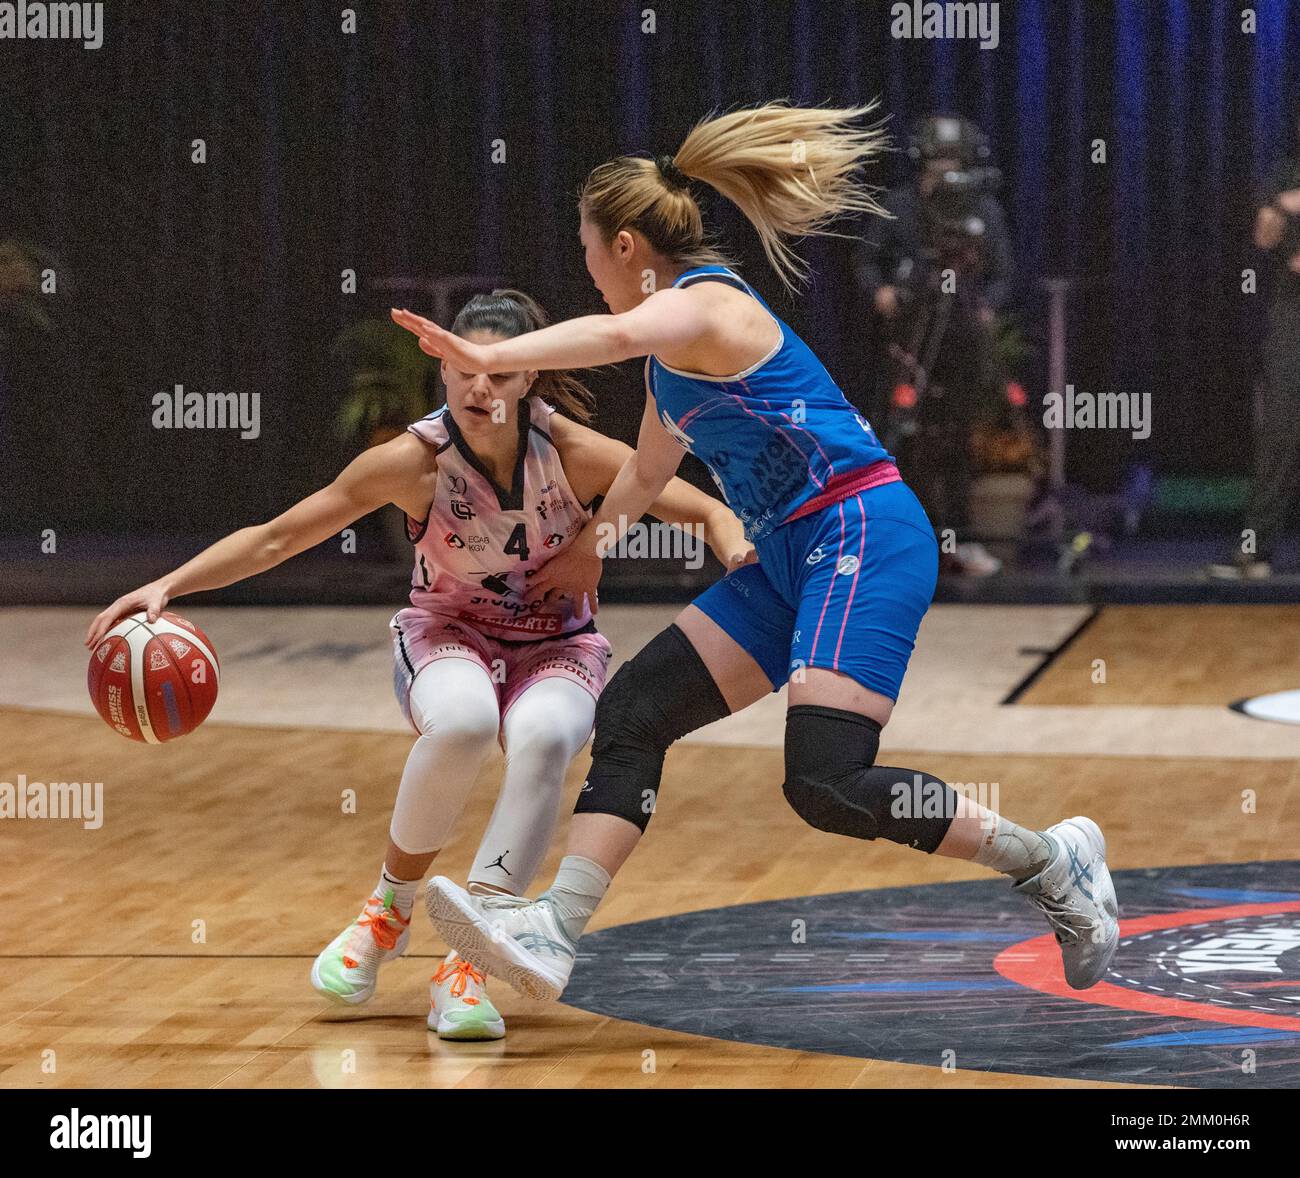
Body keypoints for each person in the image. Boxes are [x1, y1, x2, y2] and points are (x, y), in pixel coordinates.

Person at [391, 103, 1119, 1004]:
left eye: (586, 252)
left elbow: (614, 337)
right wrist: (591, 548)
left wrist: (478, 351)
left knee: (824, 780)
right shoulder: (671, 363)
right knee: (633, 713)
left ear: (625, 247)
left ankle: (1052, 862)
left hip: (861, 533)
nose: (585, 270)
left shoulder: (707, 307)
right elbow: (650, 470)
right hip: (787, 557)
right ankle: (555, 927)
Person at [84, 289, 752, 1039]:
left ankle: (471, 957)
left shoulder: (573, 454)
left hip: (558, 644)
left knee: (546, 736)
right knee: (464, 721)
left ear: (527, 375)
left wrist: (720, 552)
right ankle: (388, 909)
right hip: (448, 634)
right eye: (460, 369)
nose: (477, 387)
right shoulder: (414, 463)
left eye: (496, 374)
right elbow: (275, 539)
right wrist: (168, 584)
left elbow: (704, 509)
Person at [855, 115, 1014, 577]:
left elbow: (1003, 276)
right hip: (909, 339)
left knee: (958, 441)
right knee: (900, 434)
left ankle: (962, 539)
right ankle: (899, 539)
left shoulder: (983, 210)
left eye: (955, 161)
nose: (947, 170)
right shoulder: (899, 205)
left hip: (961, 340)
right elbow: (866, 261)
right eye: (939, 160)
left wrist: (986, 308)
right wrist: (881, 291)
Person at [1209, 112, 1300, 580]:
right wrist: (1278, 211)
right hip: (1292, 315)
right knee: (1280, 431)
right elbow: (1264, 236)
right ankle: (1256, 550)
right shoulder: (1286, 172)